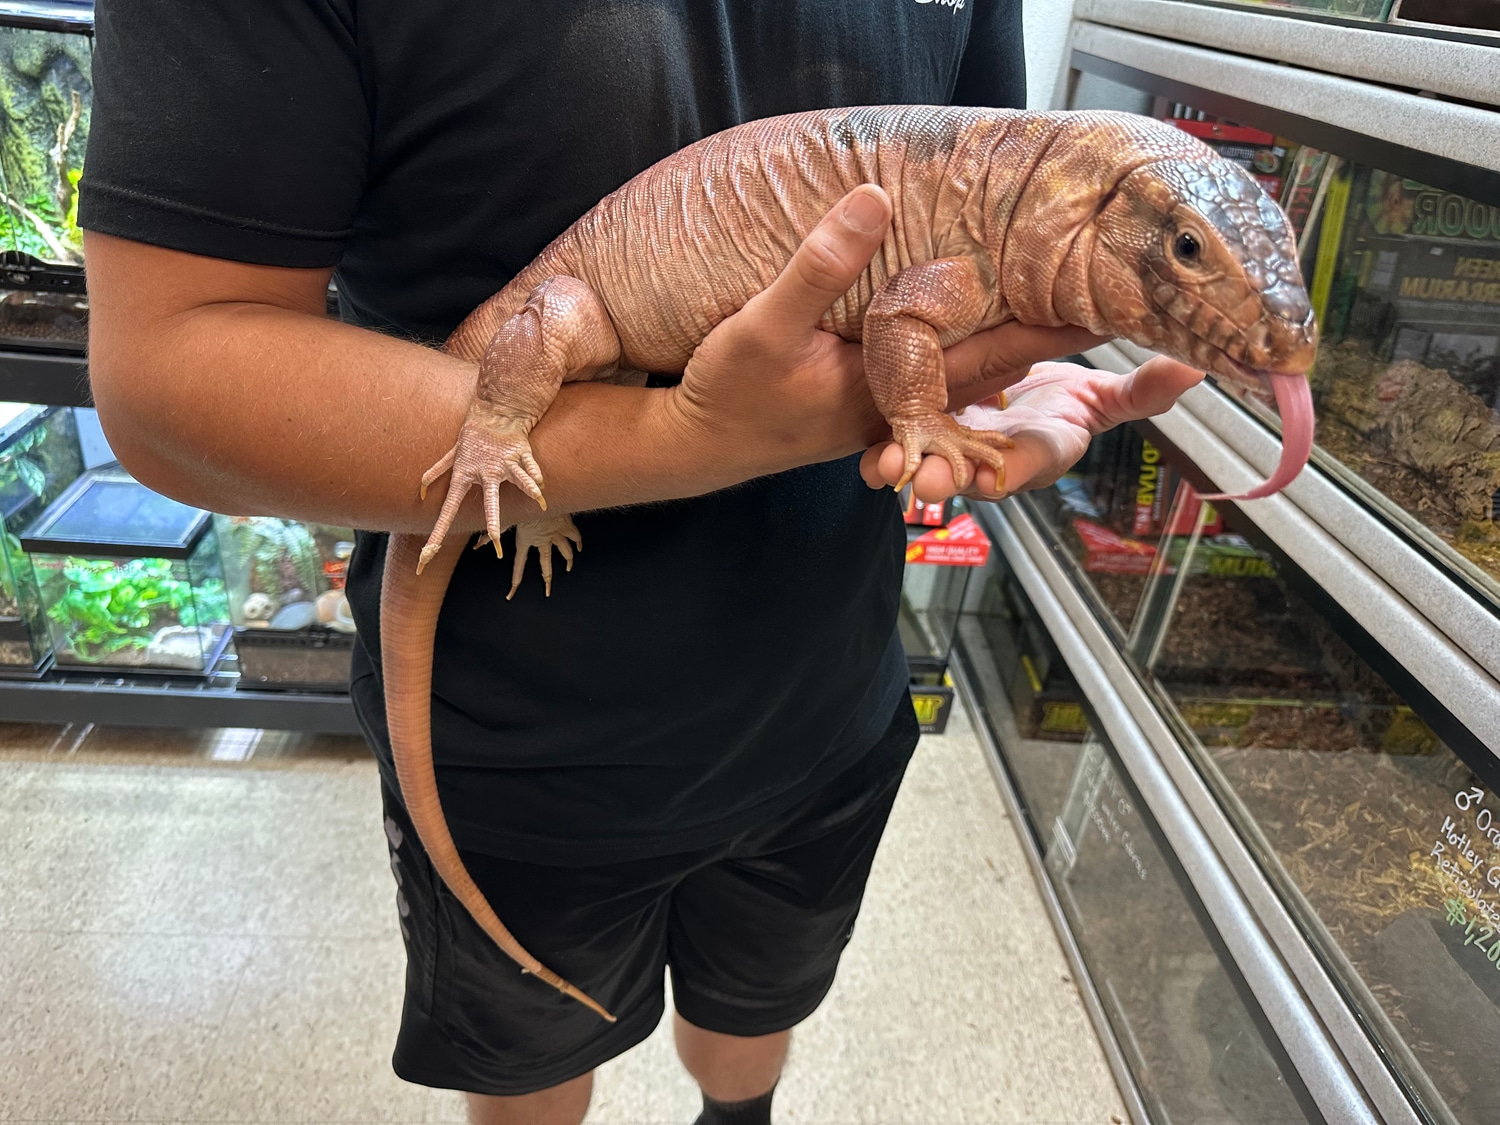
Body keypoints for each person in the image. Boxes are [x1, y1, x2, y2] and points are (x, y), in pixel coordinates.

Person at [80, 2, 1202, 1123]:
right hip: (518, 744)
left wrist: (996, 379)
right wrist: (641, 444)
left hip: (830, 695)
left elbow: (961, 209)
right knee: (529, 1068)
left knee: (757, 1012)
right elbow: (169, 378)